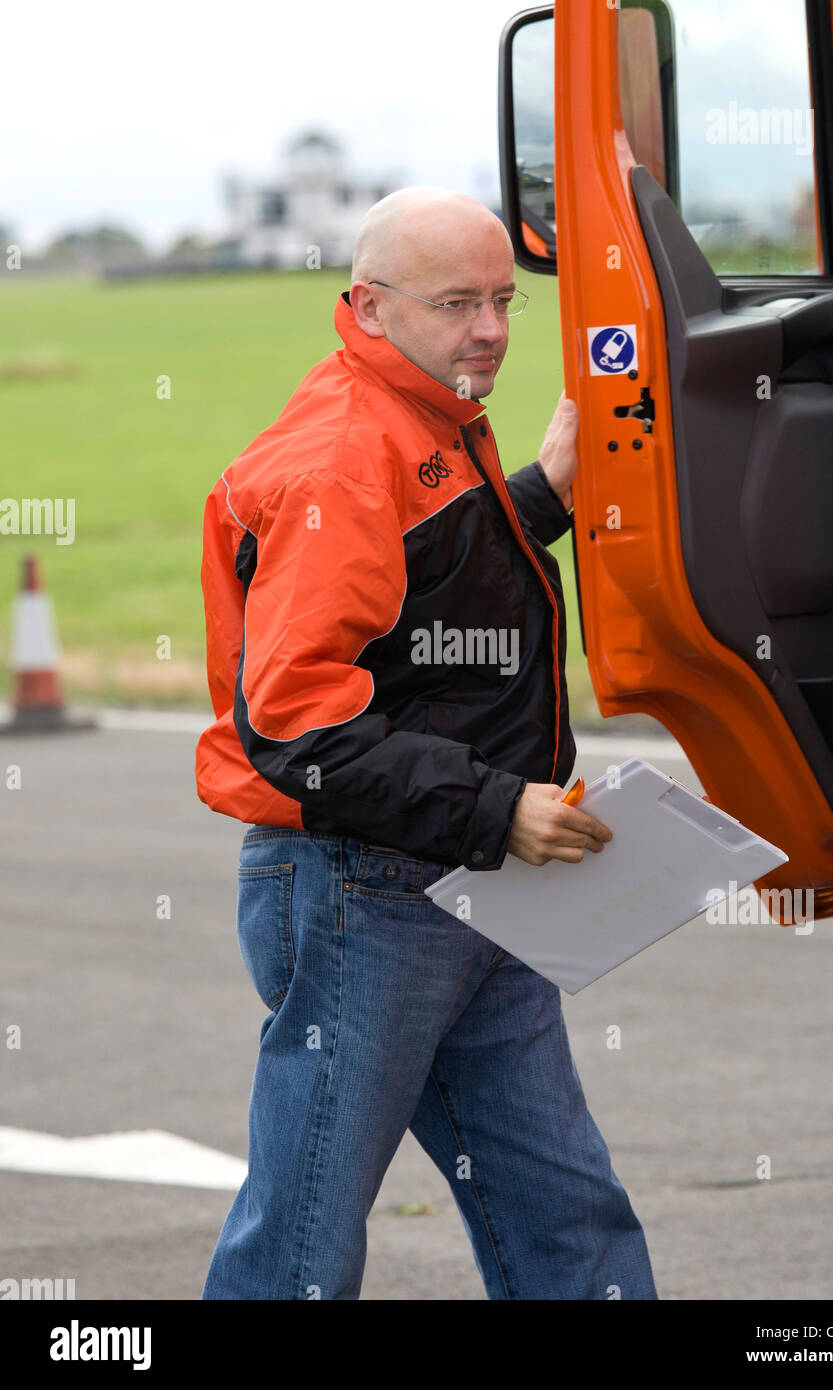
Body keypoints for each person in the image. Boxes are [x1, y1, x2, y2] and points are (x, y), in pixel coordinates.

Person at [196, 186, 656, 1299]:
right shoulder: (343, 458)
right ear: (367, 305)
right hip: (369, 891)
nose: (491, 328)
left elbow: (424, 619)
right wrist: (497, 805)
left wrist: (535, 495)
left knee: (565, 1211)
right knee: (303, 1234)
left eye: (502, 298)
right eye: (457, 302)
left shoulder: (425, 418)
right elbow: (295, 729)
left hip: (471, 876)